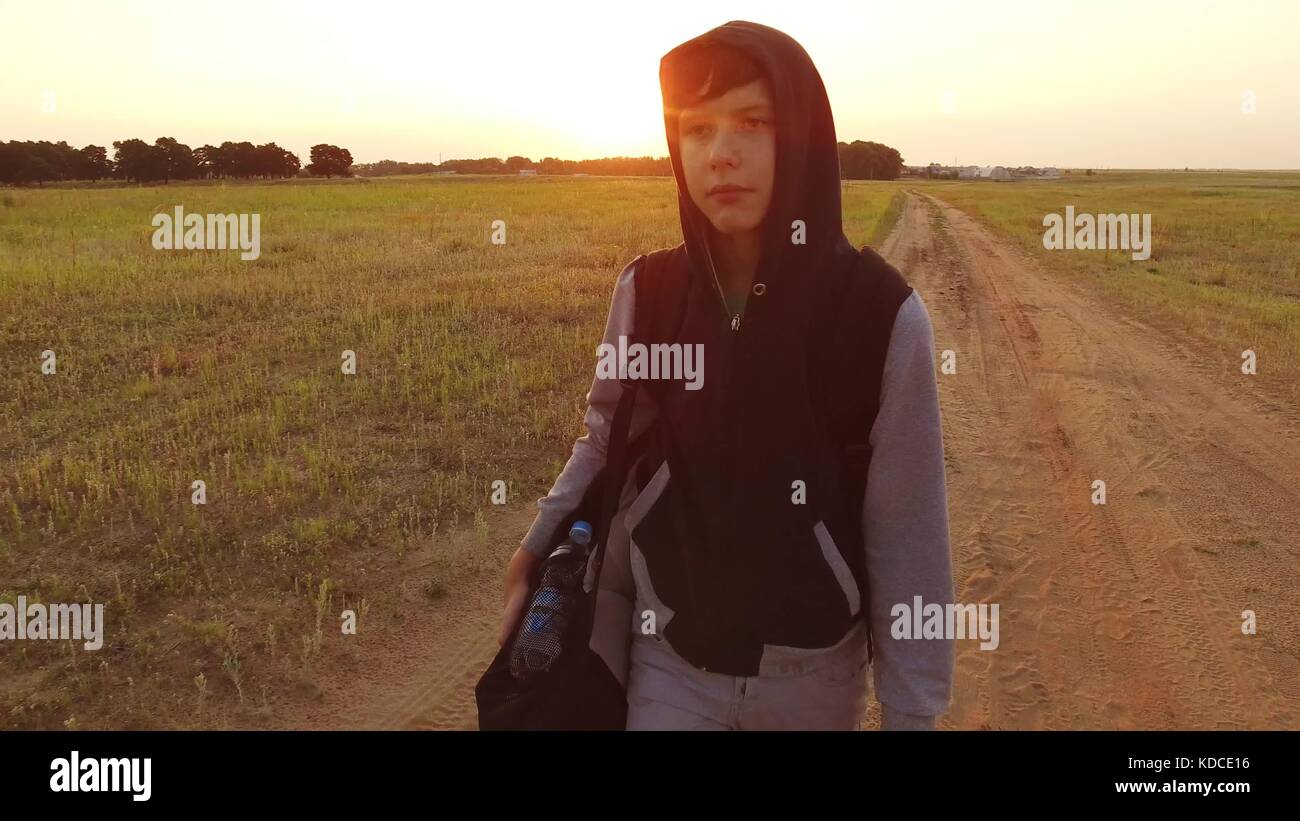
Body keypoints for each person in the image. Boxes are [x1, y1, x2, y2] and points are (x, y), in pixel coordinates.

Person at [501, 20, 954, 730]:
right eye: (697, 129)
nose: (721, 154)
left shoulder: (881, 316)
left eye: (751, 122)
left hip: (815, 678)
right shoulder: (647, 292)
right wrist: (536, 544)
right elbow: (602, 439)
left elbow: (909, 537)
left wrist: (914, 714)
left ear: (799, 135)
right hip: (670, 664)